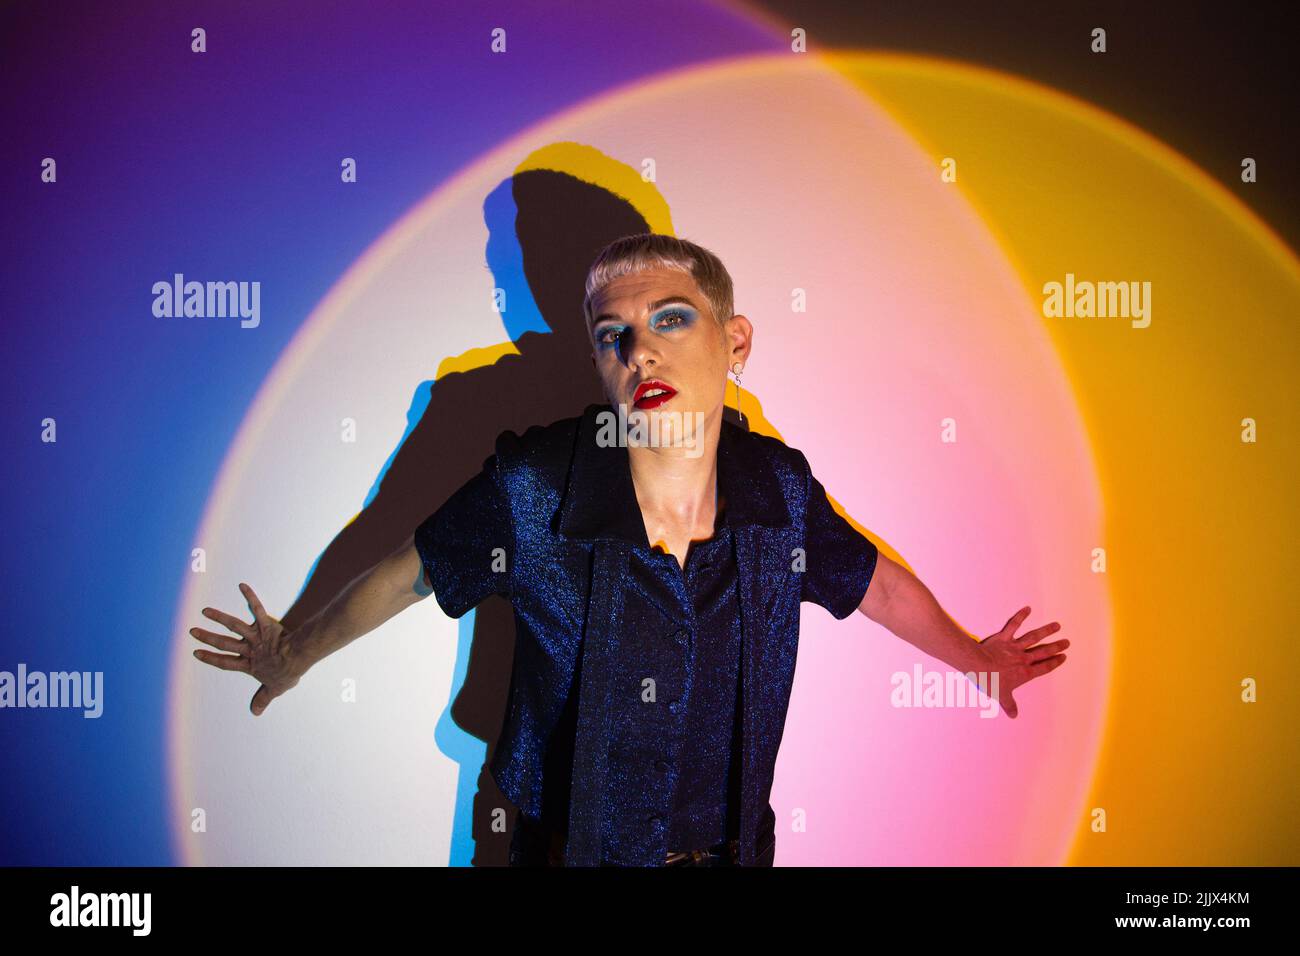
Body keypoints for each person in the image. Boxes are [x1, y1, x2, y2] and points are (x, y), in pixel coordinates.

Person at [191, 234, 1070, 867]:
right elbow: (407, 573)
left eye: (671, 318)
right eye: (614, 334)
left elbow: (873, 585)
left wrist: (975, 661)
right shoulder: (534, 485)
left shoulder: (779, 492)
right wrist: (294, 652)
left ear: (735, 343)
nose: (639, 345)